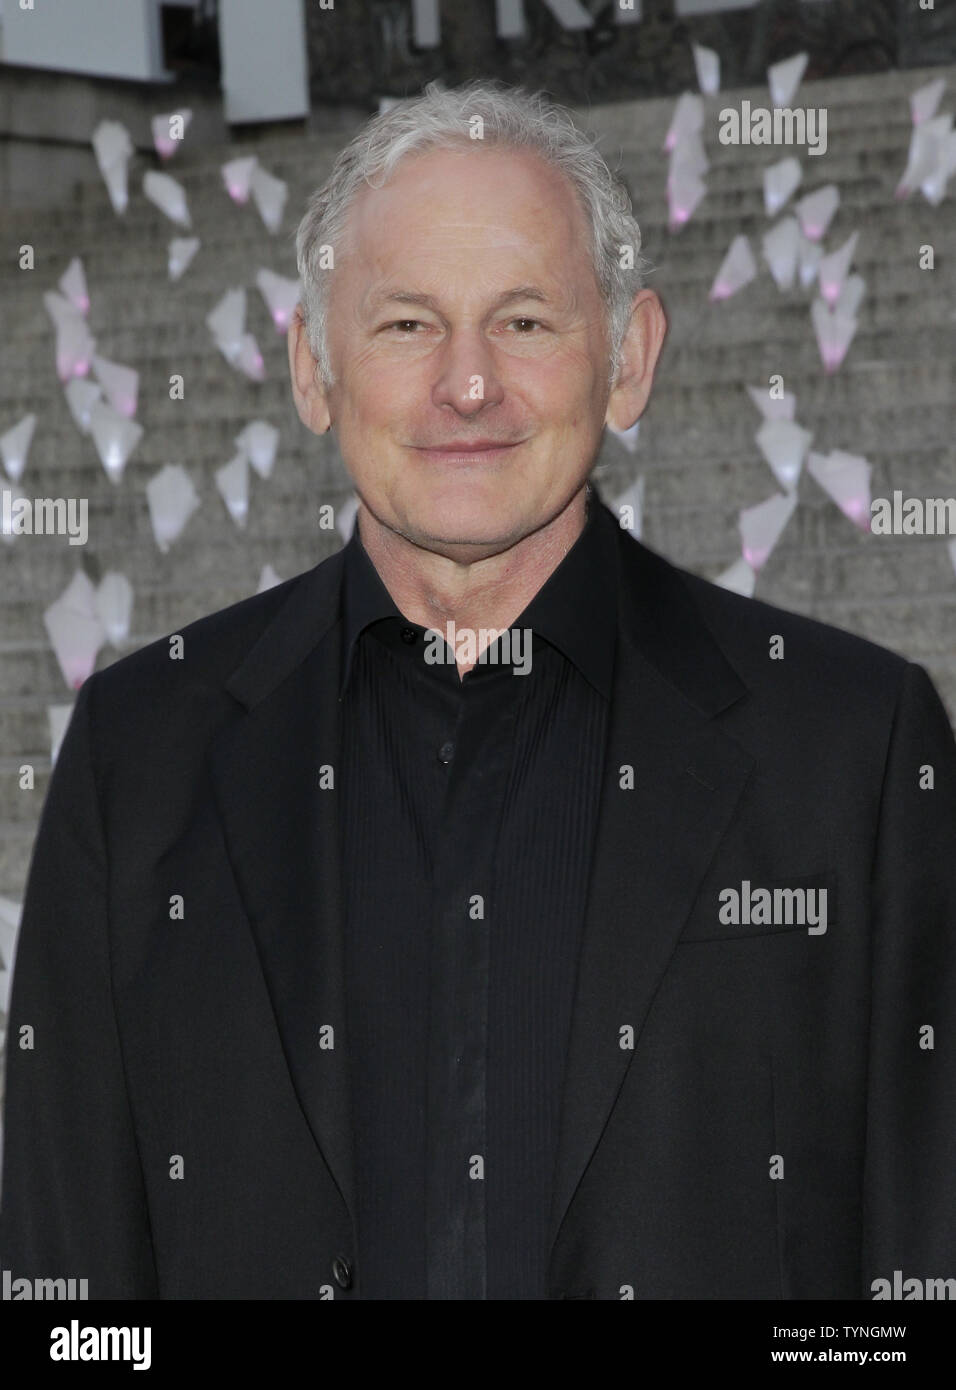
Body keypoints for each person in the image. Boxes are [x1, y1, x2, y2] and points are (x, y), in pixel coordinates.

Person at [1, 80, 954, 1301]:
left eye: (524, 322)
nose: (466, 385)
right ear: (310, 369)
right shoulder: (138, 757)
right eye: (405, 325)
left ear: (627, 359)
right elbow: (69, 1302)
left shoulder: (853, 755)